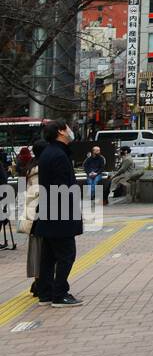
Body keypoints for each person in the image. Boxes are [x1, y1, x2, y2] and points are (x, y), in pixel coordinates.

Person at [33, 121, 85, 307]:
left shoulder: (48, 153)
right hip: (60, 214)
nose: (71, 131)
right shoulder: (59, 155)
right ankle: (60, 294)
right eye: (68, 128)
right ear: (60, 132)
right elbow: (63, 187)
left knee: (48, 257)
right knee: (66, 254)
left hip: (48, 211)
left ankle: (45, 294)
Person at [18, 150, 43, 298]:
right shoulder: (41, 171)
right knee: (43, 250)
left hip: (31, 215)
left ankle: (37, 282)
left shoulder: (30, 169)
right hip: (40, 215)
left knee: (34, 250)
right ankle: (41, 283)